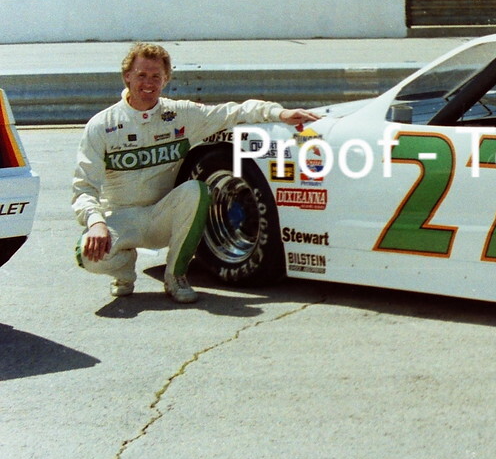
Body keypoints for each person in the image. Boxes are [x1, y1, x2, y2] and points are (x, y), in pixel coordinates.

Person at [73, 43, 318, 303]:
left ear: (166, 80)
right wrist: (95, 222)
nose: (149, 82)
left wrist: (279, 112)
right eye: (141, 75)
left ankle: (175, 276)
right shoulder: (102, 125)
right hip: (122, 217)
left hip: (162, 216)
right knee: (87, 255)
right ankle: (123, 271)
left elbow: (232, 112)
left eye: (156, 76)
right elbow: (83, 187)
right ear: (127, 77)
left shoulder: (178, 114)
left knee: (195, 190)